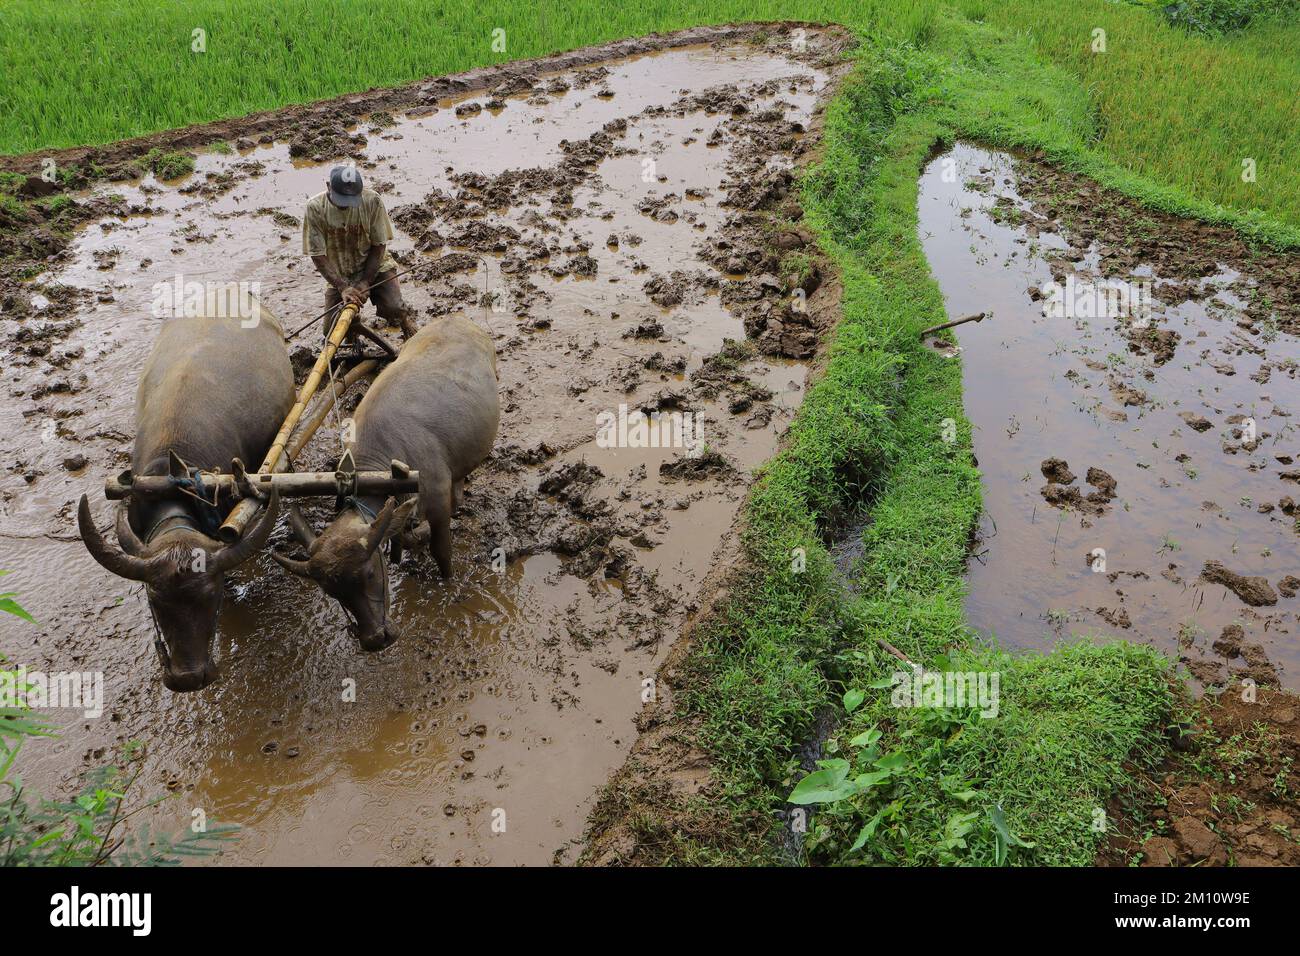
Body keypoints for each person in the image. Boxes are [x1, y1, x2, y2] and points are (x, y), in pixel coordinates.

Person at [302, 165, 418, 340]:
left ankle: (405, 322)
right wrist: (342, 287)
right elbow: (317, 254)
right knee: (331, 331)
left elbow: (379, 245)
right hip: (340, 273)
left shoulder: (372, 201)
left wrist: (365, 281)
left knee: (394, 307)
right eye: (341, 199)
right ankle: (353, 332)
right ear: (328, 186)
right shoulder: (315, 208)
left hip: (375, 265)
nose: (346, 205)